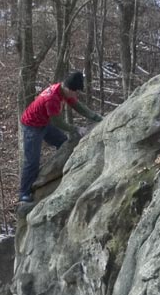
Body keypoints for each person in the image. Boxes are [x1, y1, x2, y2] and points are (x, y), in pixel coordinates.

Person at [19, 71, 103, 203]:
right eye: (75, 92)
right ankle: (24, 193)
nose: (76, 95)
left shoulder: (63, 90)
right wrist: (76, 129)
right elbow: (57, 122)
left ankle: (59, 172)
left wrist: (96, 118)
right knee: (32, 161)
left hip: (44, 122)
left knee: (63, 142)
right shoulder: (52, 98)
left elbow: (78, 106)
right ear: (69, 89)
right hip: (32, 126)